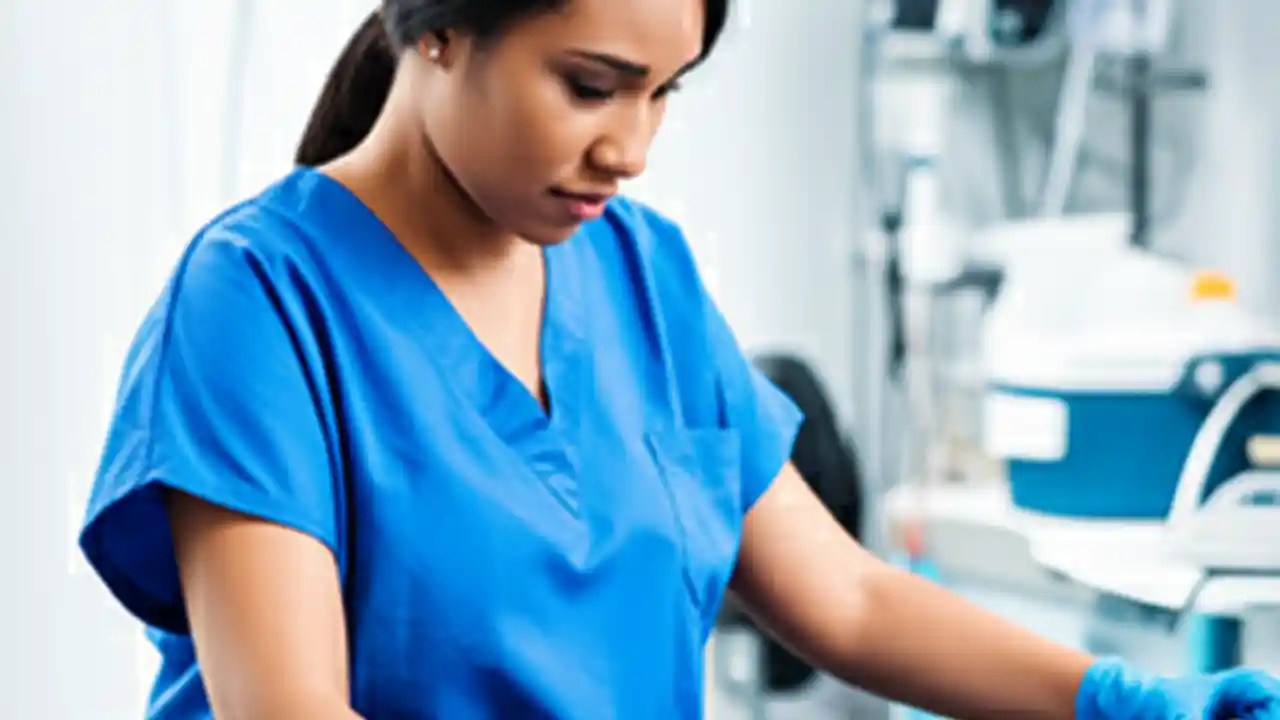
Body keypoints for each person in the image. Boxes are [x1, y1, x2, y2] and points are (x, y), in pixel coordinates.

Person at [78, 1, 1280, 718]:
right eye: (590, 87)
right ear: (436, 29)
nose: (631, 149)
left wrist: (1110, 702)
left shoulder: (639, 272)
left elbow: (846, 600)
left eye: (663, 93)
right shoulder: (259, 300)